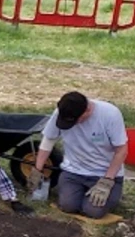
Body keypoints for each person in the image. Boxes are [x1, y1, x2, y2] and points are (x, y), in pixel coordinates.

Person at [29, 91, 127, 219]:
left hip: (103, 174)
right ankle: (78, 193)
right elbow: (49, 140)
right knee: (68, 206)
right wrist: (37, 169)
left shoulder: (110, 114)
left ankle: (110, 193)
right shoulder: (62, 112)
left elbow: (121, 151)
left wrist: (107, 181)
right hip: (73, 172)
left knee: (93, 211)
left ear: (87, 111)